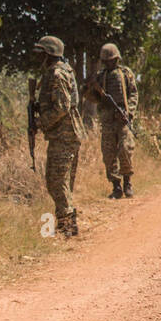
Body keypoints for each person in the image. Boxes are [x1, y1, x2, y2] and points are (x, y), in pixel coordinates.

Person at [31, 35, 83, 236]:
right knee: (60, 180)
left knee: (56, 180)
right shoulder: (58, 71)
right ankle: (66, 222)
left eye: (41, 54)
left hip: (64, 134)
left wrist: (41, 121)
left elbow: (61, 107)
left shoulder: (57, 74)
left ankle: (67, 224)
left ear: (49, 54)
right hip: (64, 134)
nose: (38, 58)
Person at [85, 42, 138, 198]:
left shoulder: (126, 73)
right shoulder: (101, 77)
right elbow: (94, 99)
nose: (109, 63)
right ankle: (116, 187)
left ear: (117, 59)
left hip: (123, 119)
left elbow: (134, 94)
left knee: (125, 150)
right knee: (108, 154)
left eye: (111, 60)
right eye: (106, 61)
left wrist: (129, 113)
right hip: (107, 120)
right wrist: (89, 89)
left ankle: (127, 182)